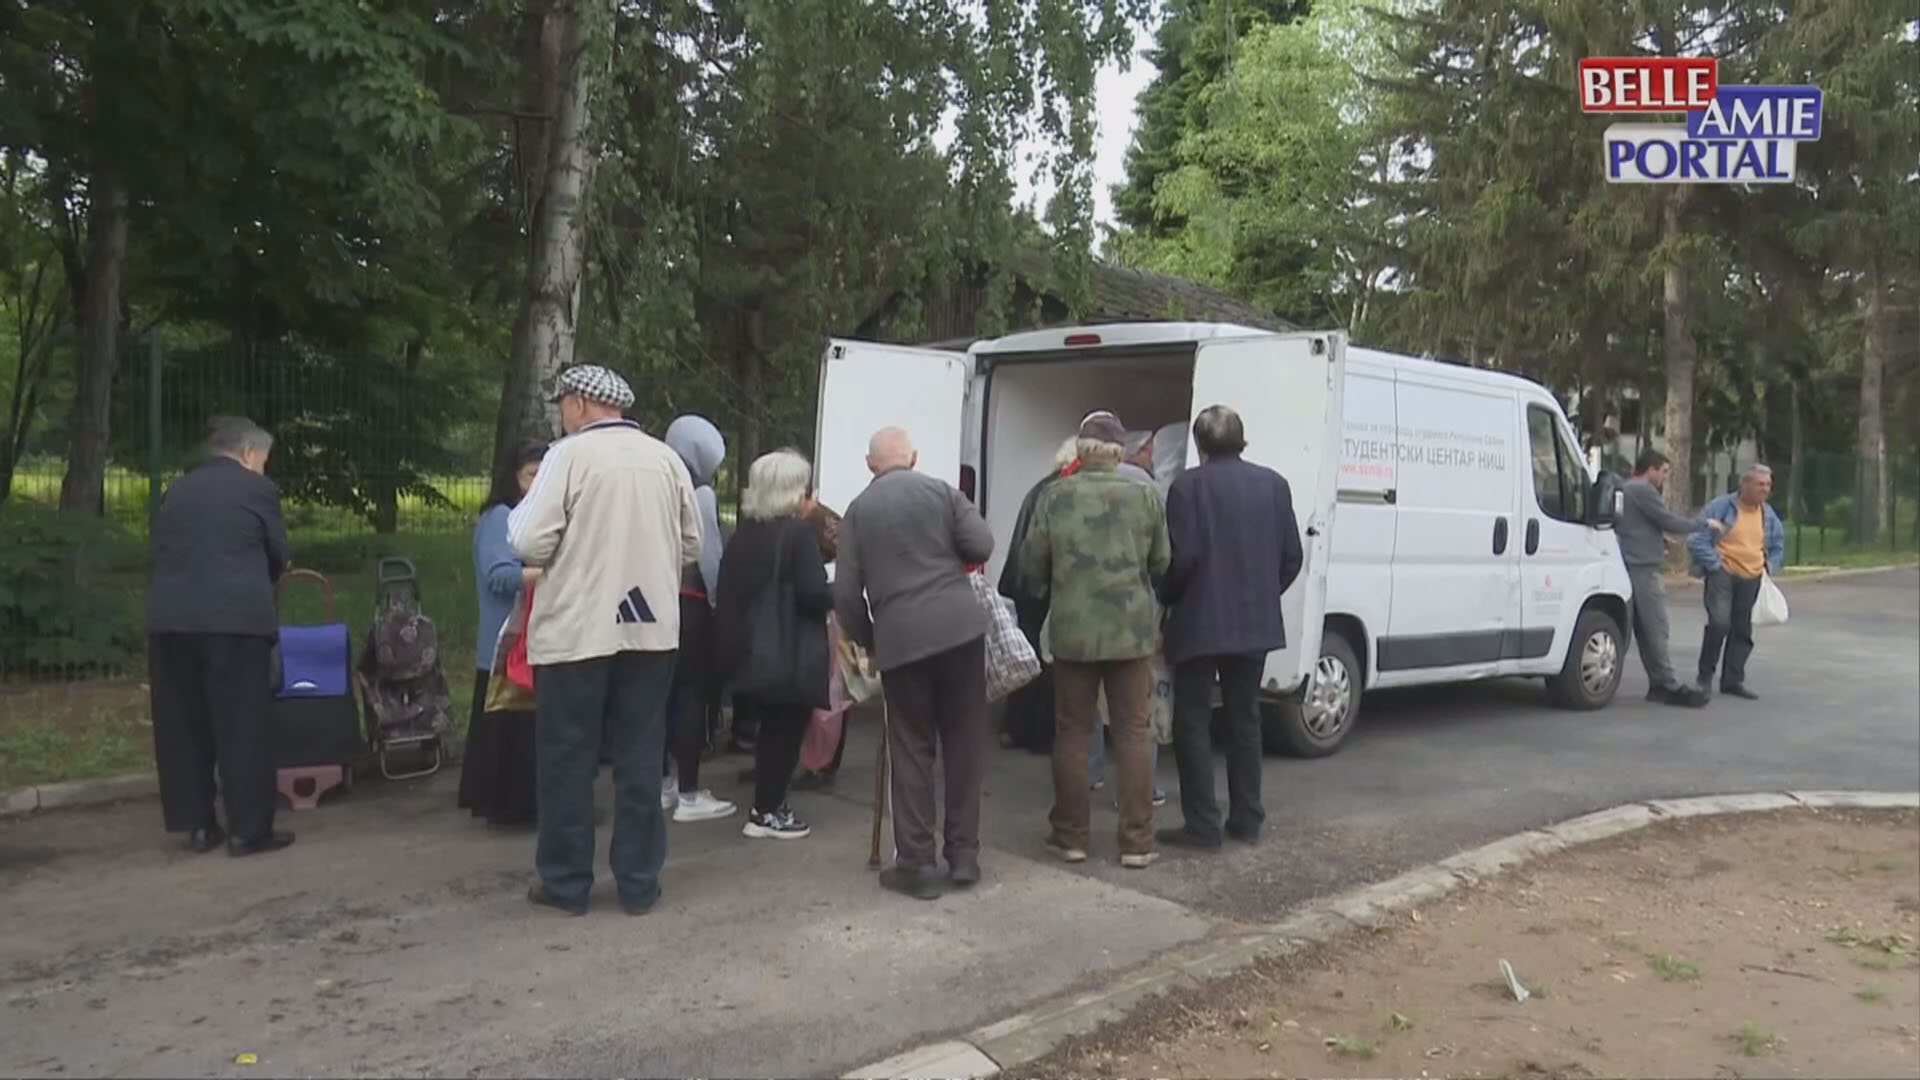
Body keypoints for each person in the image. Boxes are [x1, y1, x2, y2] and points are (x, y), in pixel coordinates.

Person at [508, 364, 702, 916]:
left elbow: (527, 539)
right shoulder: (666, 459)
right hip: (650, 633)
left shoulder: (567, 458)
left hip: (577, 632)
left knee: (568, 759)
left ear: (578, 404)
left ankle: (567, 884)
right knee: (641, 757)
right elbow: (691, 543)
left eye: (562, 403)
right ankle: (639, 883)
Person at [836, 426, 995, 900]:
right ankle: (964, 855)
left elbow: (845, 594)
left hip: (902, 639)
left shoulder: (858, 513)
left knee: (911, 748)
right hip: (960, 630)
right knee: (964, 742)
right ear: (914, 457)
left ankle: (918, 864)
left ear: (870, 466)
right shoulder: (943, 492)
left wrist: (870, 639)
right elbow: (981, 545)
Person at [1021, 411, 1170, 869]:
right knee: (1133, 732)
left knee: (1072, 732)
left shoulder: (1055, 496)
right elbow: (1162, 561)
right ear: (1120, 452)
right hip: (1131, 633)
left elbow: (1031, 566)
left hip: (1073, 633)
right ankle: (1137, 842)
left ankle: (1071, 836)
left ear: (1080, 452)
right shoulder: (1146, 494)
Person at [1156, 406, 1302, 851]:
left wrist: (1166, 596)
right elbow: (1292, 557)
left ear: (1199, 446)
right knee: (1245, 719)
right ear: (1242, 441)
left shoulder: (1186, 488)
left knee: (1193, 723)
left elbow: (1183, 560)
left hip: (1199, 620)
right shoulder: (1274, 486)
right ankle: (1247, 819)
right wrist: (1262, 592)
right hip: (1254, 622)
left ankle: (1202, 825)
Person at [145, 416, 293, 857]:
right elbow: (278, 555)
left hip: (170, 622)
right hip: (234, 622)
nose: (264, 469)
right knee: (242, 726)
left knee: (183, 725)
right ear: (249, 454)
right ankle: (249, 831)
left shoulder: (179, 489)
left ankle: (197, 826)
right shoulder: (258, 490)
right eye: (264, 461)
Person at [714, 450, 833, 840]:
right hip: (789, 650)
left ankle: (764, 807)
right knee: (785, 731)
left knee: (769, 732)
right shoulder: (797, 535)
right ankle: (768, 811)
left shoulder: (744, 534)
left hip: (750, 650)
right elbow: (813, 594)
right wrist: (842, 591)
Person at [459, 439, 546, 827]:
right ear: (512, 477)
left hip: (522, 642)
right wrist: (552, 576)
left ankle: (513, 802)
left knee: (517, 729)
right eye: (531, 474)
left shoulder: (529, 516)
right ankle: (511, 807)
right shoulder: (501, 518)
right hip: (505, 644)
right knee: (512, 728)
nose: (539, 482)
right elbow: (499, 576)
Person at [660, 415, 736, 823]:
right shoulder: (700, 492)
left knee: (659, 696)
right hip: (690, 603)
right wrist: (720, 603)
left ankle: (662, 785)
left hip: (653, 603)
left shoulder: (656, 480)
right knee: (691, 696)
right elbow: (708, 556)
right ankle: (689, 792)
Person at [1088, 428, 1168, 807]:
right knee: (1137, 719)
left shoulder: (1067, 490)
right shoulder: (1151, 493)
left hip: (1081, 623)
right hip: (1135, 622)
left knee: (1079, 717)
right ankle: (1139, 801)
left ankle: (1086, 783)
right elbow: (1163, 561)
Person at [1616, 449, 1722, 708]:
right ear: (1650, 469)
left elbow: (1634, 524)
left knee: (1642, 628)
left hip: (1630, 561)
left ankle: (1659, 681)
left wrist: (1657, 537)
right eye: (1663, 472)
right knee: (1656, 627)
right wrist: (1704, 524)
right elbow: (1667, 519)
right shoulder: (1643, 490)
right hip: (1642, 567)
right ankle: (1667, 683)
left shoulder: (1626, 489)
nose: (1664, 478)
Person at [996, 435, 1080, 754]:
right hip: (1042, 585)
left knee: (1027, 658)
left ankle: (1015, 726)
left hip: (1024, 583)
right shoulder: (1062, 491)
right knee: (1047, 662)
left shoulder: (1041, 487)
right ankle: (1040, 733)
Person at [1687, 463, 1785, 701]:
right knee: (1719, 623)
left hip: (1751, 576)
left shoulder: (1767, 513)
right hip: (1723, 573)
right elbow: (1696, 538)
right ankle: (1704, 678)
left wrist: (1769, 565)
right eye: (1760, 484)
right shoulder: (1721, 507)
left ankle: (1732, 681)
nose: (1765, 490)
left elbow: (1778, 544)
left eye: (1768, 485)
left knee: (1742, 629)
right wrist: (1715, 564)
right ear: (1745, 484)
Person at [793, 500, 849, 791]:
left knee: (831, 691)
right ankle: (820, 760)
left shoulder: (816, 520)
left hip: (828, 609)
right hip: (829, 603)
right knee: (832, 688)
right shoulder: (823, 517)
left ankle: (822, 762)